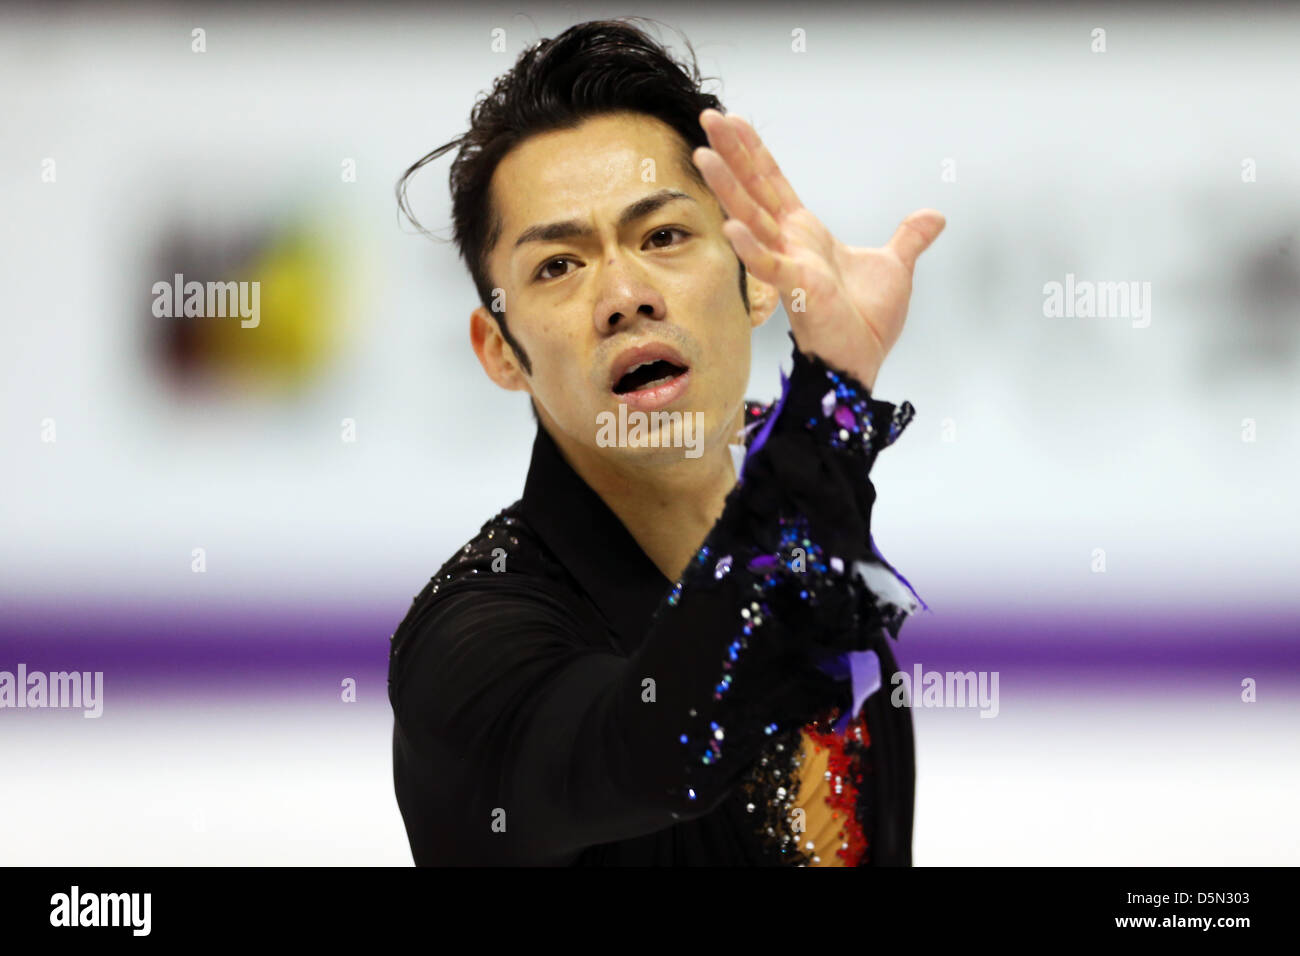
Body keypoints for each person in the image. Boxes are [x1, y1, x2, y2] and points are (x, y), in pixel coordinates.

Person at [387, 17, 944, 866]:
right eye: (558, 266)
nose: (623, 293)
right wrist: (826, 397)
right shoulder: (471, 641)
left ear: (755, 281)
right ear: (501, 350)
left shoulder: (816, 568)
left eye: (663, 237)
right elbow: (662, 750)